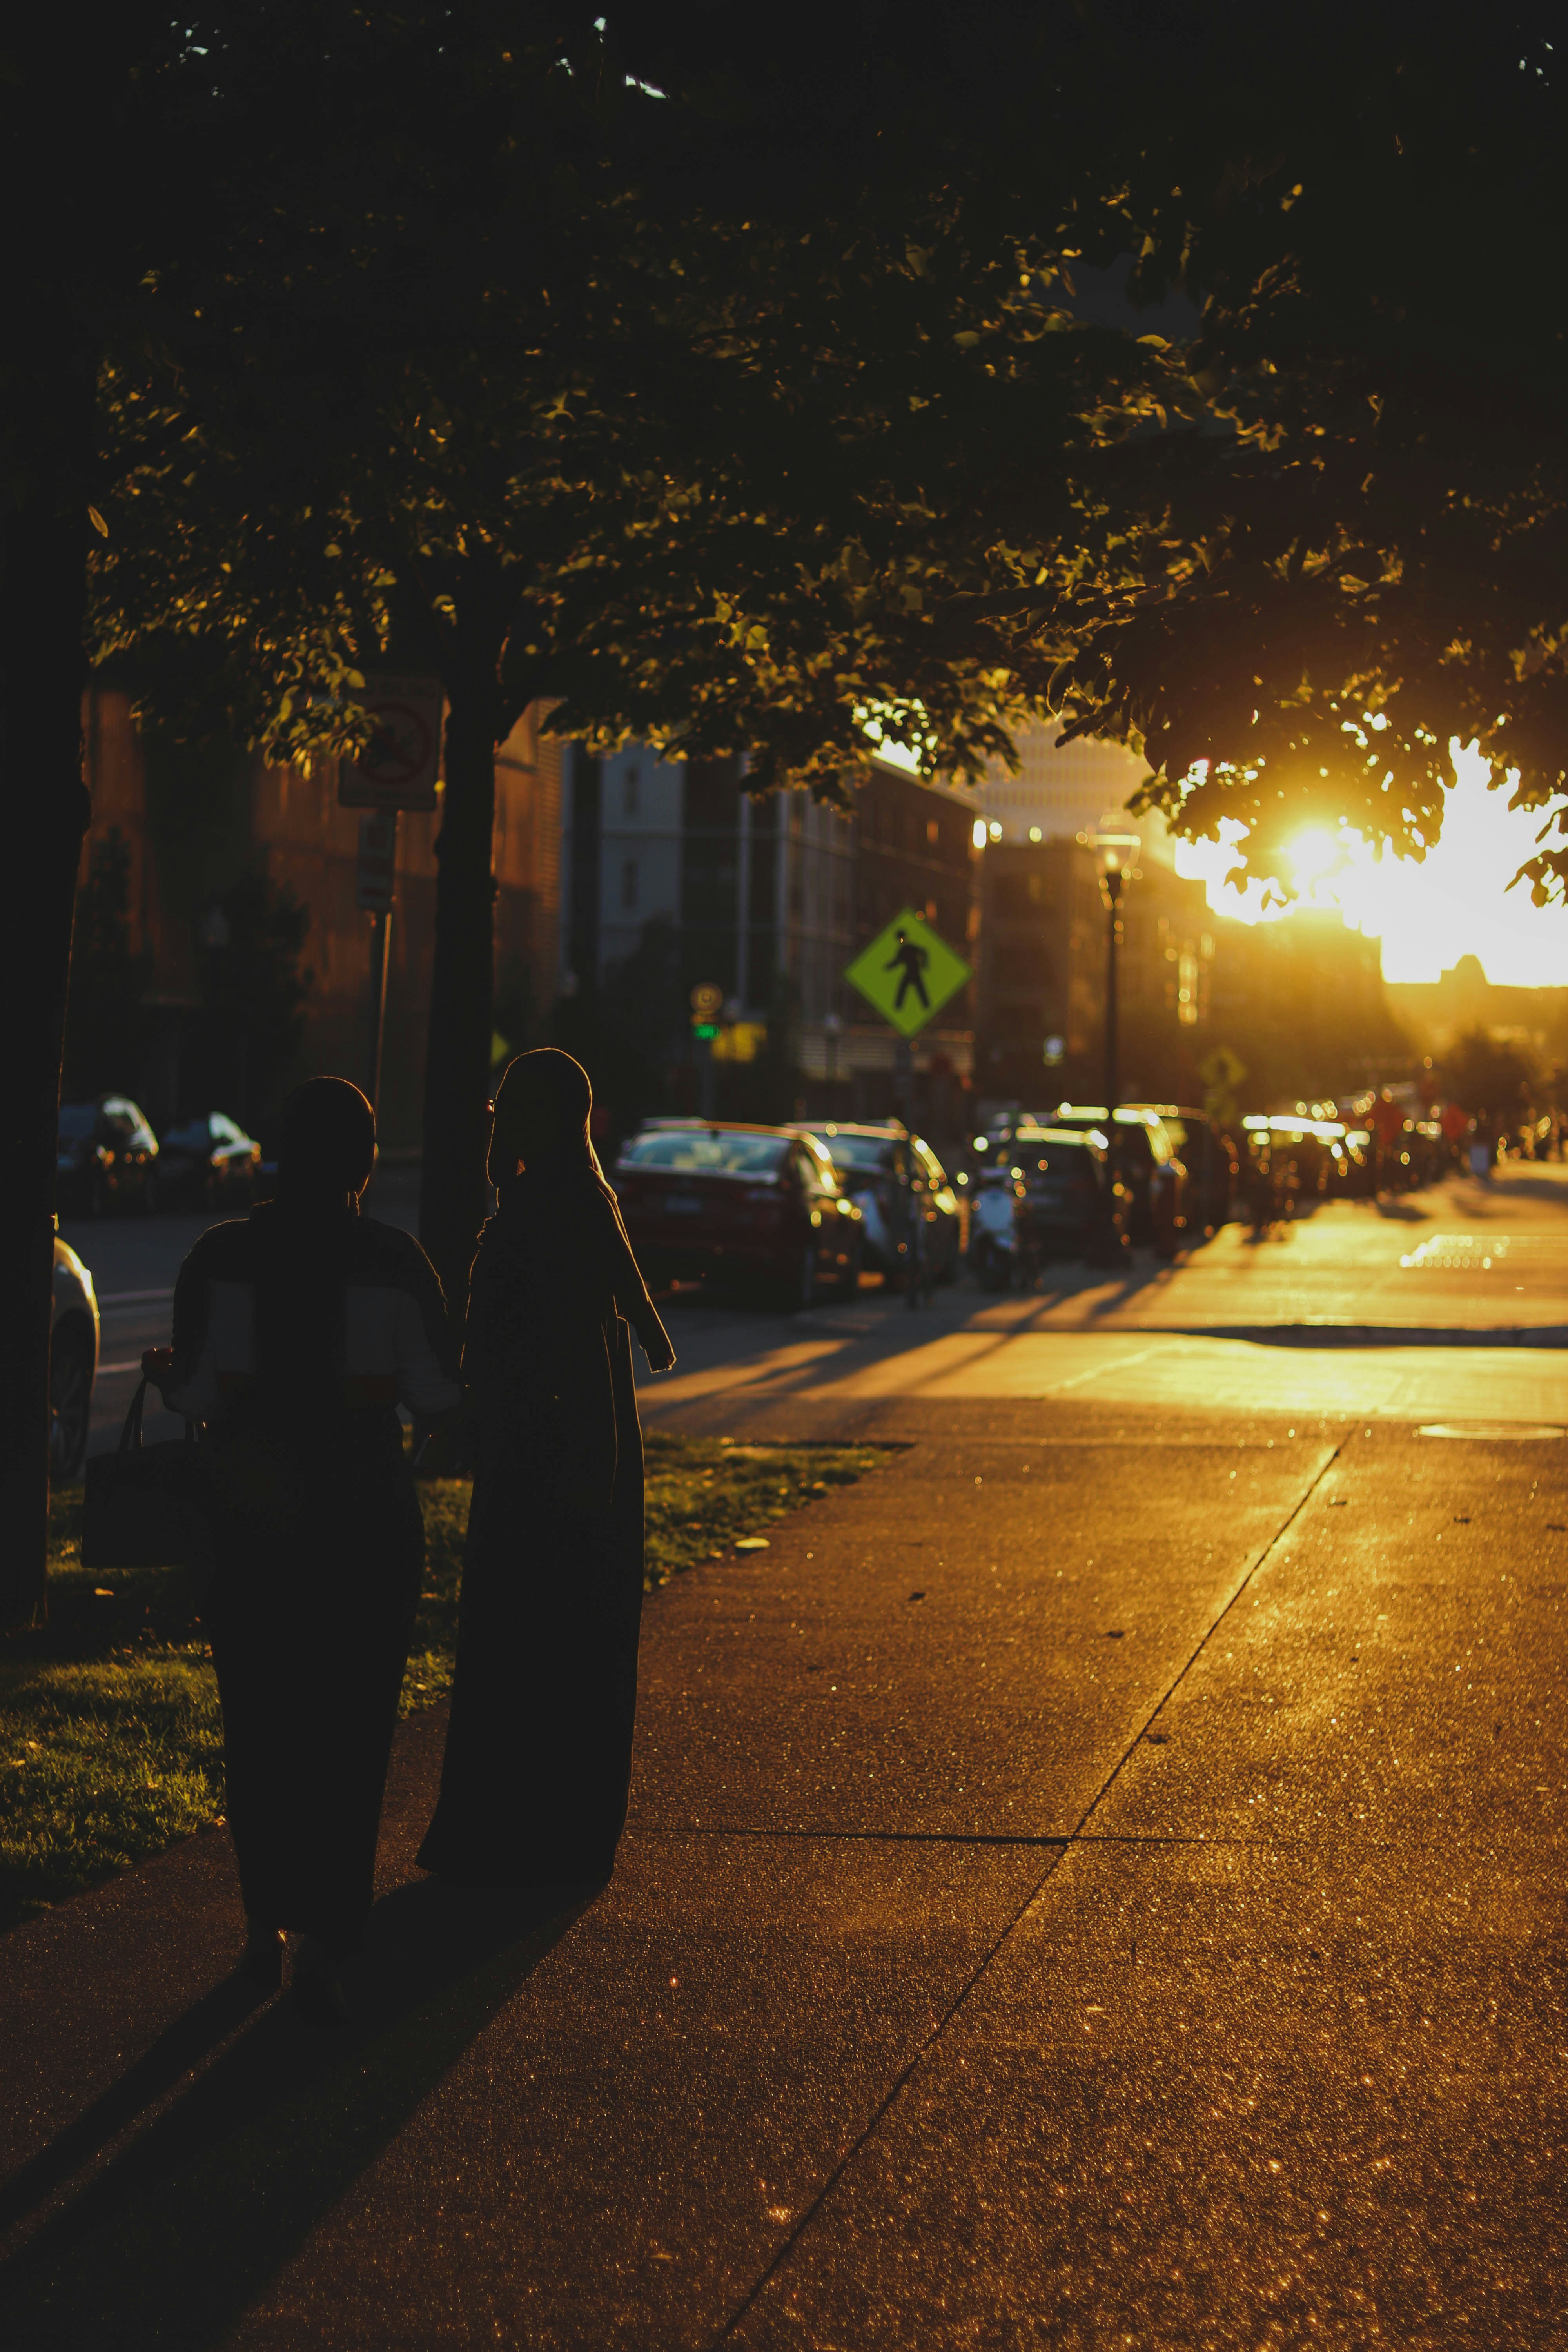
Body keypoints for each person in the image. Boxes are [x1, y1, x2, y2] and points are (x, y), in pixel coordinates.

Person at [147, 1077, 459, 2024]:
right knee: (351, 1732)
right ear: (365, 1162)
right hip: (365, 1525)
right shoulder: (395, 1265)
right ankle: (328, 1935)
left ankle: (260, 1925)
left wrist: (171, 1388)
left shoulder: (223, 1258)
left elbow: (201, 1395)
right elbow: (438, 1398)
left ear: (278, 1152)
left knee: (262, 1723)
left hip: (254, 1527)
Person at [417, 1049, 675, 1894]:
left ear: (565, 1121)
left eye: (522, 1111)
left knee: (531, 1638)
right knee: (558, 1644)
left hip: (551, 1459)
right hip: (564, 1453)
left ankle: (515, 1837)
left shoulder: (548, 1209)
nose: (506, 1124)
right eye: (503, 1110)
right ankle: (547, 1835)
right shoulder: (563, 1199)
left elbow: (535, 1343)